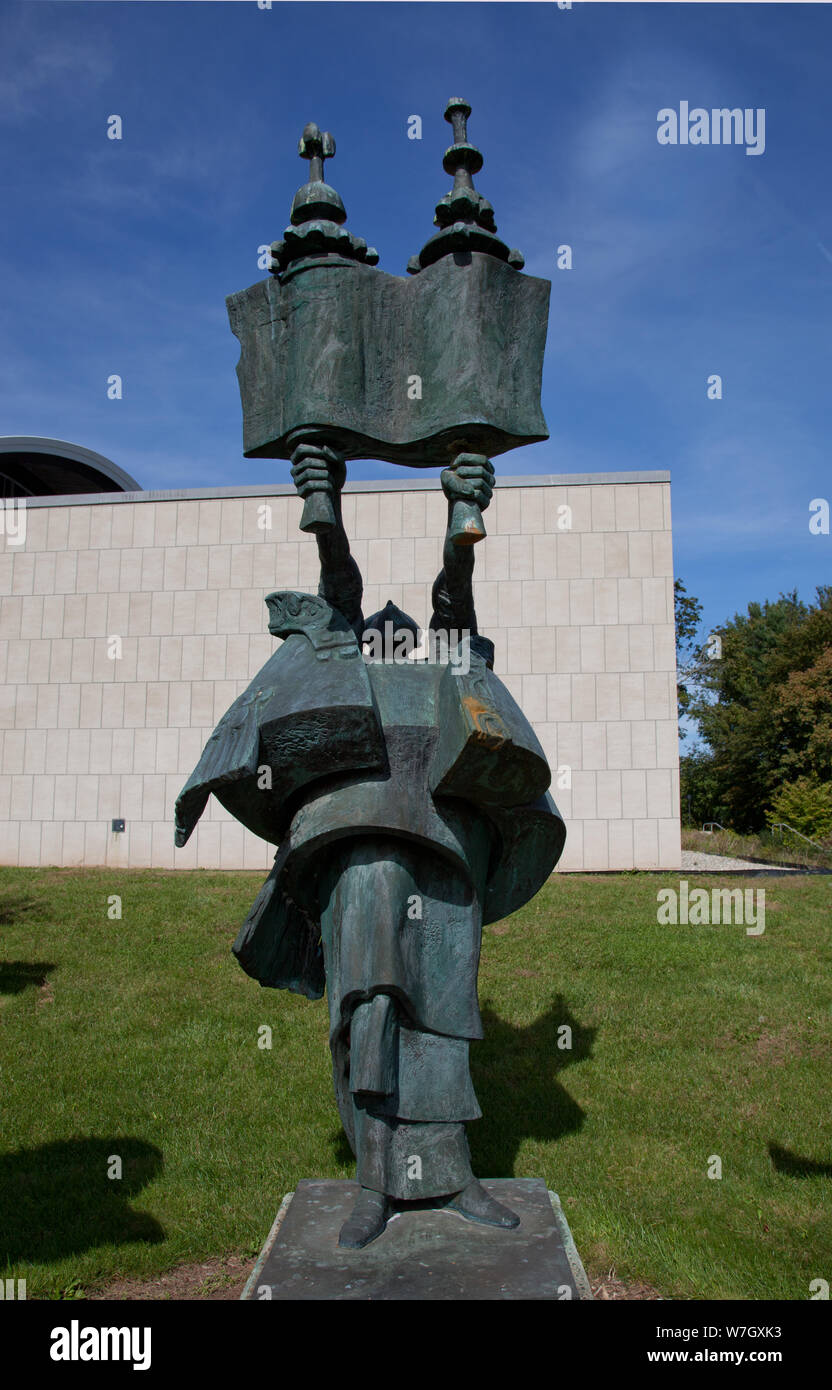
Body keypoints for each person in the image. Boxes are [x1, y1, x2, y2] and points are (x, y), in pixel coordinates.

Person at [175, 447, 565, 1249]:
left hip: (446, 846)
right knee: (370, 1003)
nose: (391, 637)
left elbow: (455, 607)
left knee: (443, 1012)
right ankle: (374, 1184)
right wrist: (327, 507)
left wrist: (460, 530)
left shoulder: (446, 667)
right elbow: (337, 594)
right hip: (356, 849)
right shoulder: (338, 667)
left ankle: (451, 1176)